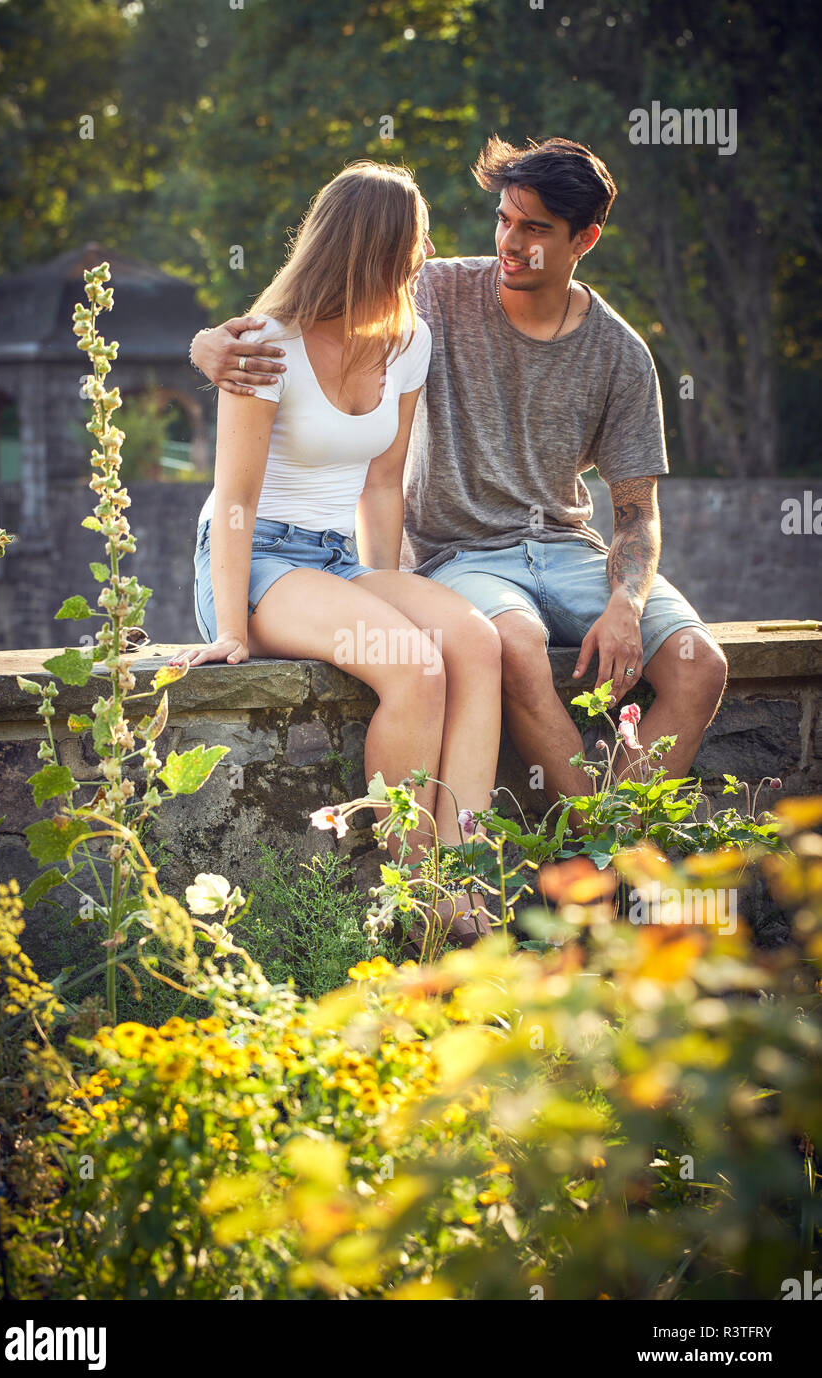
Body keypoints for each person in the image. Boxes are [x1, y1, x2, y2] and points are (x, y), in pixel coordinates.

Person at [190, 136, 728, 810]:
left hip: (556, 550)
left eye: (534, 228)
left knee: (695, 664)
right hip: (426, 555)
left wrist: (625, 603)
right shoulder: (431, 292)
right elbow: (328, 285)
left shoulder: (613, 353)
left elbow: (634, 510)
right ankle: (572, 848)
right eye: (503, 218)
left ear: (583, 239)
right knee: (495, 649)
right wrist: (209, 344)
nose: (509, 240)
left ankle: (578, 845)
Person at [173, 161, 503, 939]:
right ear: (372, 249)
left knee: (475, 644)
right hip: (255, 560)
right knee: (415, 668)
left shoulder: (408, 340)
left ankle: (467, 880)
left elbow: (382, 486)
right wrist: (229, 626)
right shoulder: (265, 344)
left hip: (334, 560)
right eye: (413, 243)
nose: (424, 256)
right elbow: (235, 503)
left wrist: (381, 586)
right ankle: (415, 897)